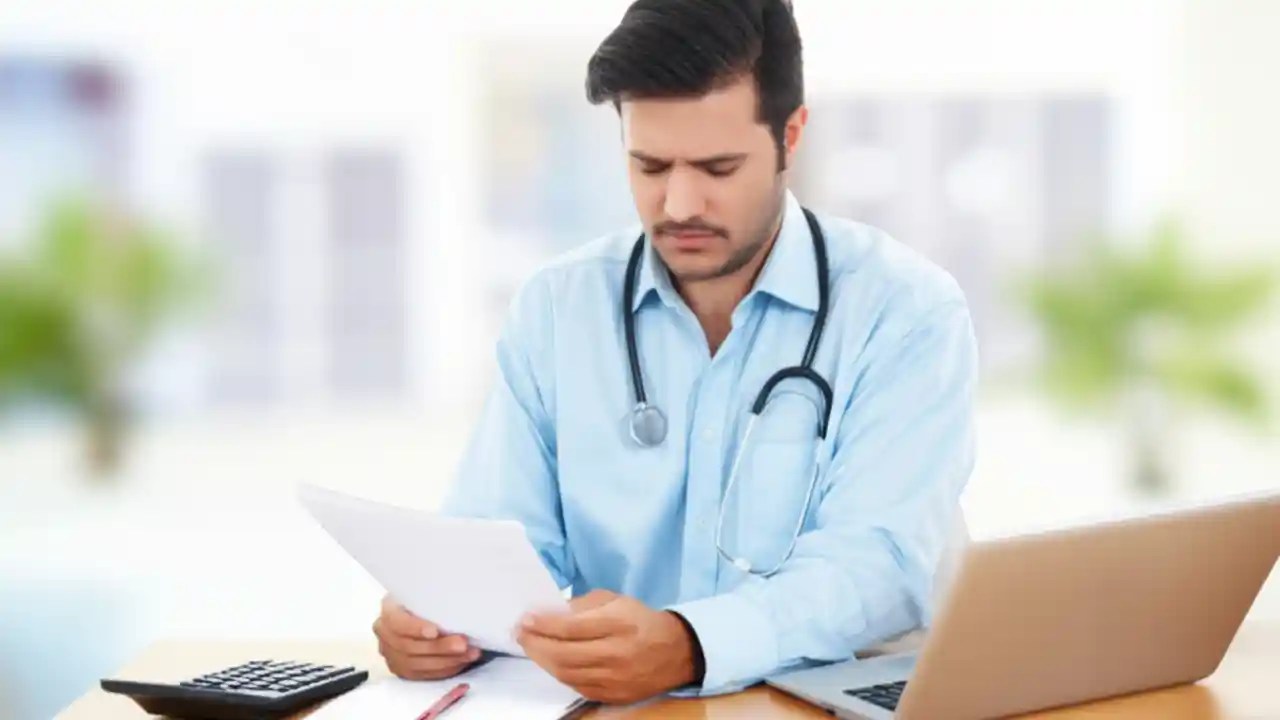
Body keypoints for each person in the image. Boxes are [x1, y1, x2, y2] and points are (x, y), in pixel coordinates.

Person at [373, 0, 977, 704]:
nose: (680, 203)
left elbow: (879, 567)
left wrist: (691, 644)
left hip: (826, 706)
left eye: (718, 168)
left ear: (792, 135)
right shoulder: (557, 312)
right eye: (650, 166)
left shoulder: (904, 313)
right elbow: (500, 543)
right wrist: (439, 622)